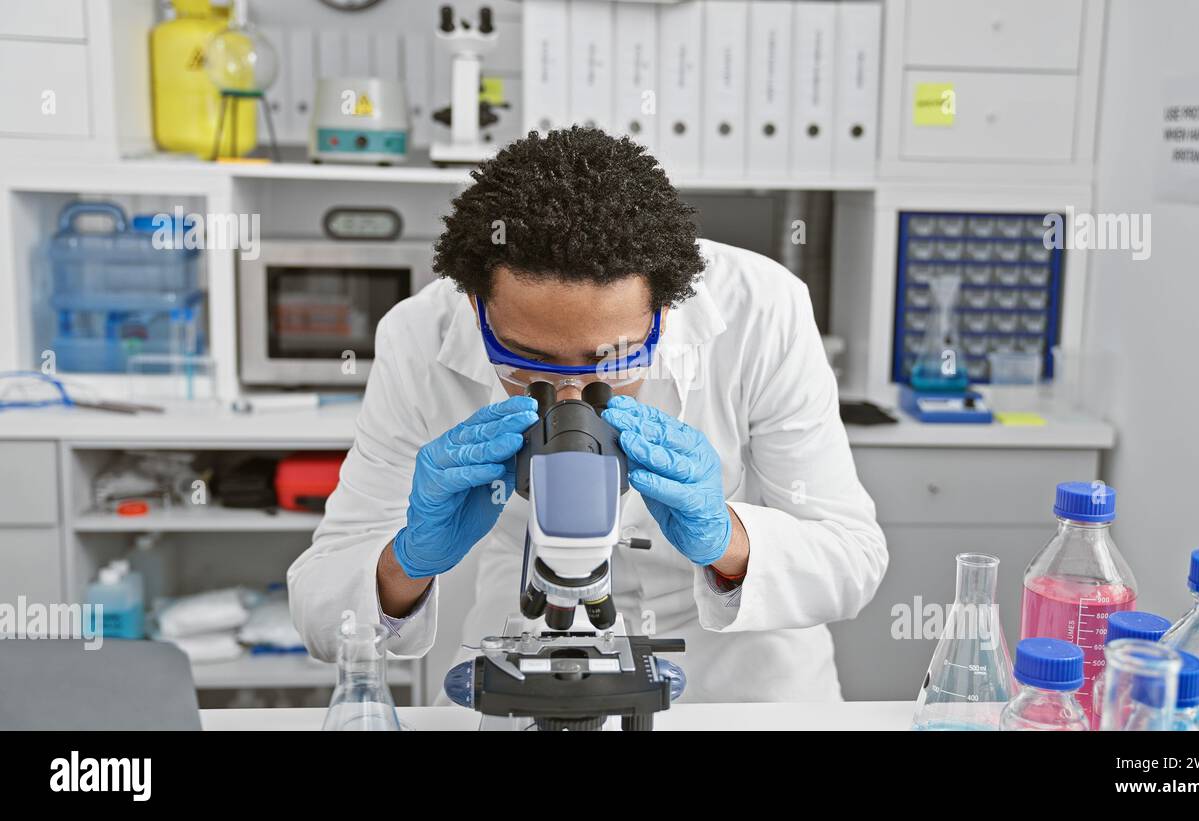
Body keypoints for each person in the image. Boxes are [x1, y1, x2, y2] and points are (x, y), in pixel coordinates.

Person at [289, 127, 888, 701]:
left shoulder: (763, 310)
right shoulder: (418, 336)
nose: (571, 395)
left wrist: (726, 539)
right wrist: (407, 559)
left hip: (740, 685)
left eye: (613, 358)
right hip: (520, 652)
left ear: (665, 307)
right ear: (475, 306)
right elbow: (320, 610)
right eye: (527, 359)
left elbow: (853, 560)